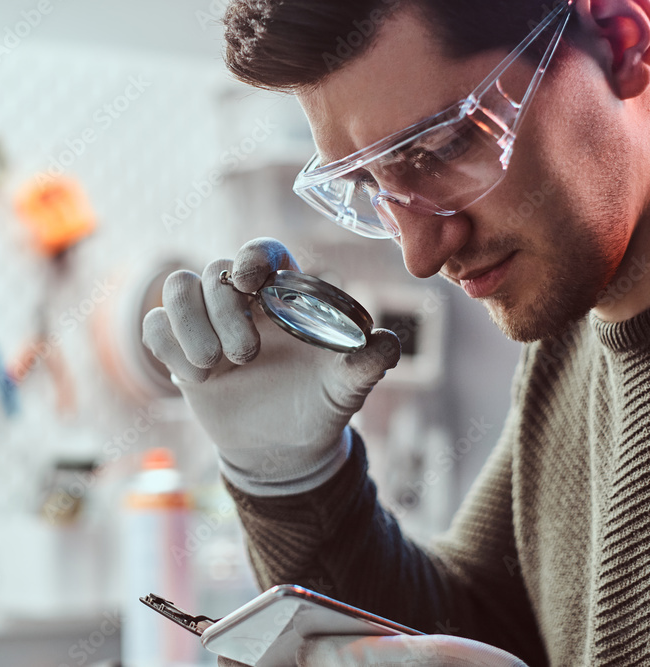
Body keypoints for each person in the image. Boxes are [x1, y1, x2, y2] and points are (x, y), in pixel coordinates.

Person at [141, 0, 650, 665]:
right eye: (369, 184)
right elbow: (476, 619)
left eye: (443, 146)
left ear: (619, 38)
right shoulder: (569, 339)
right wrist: (294, 482)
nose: (422, 253)